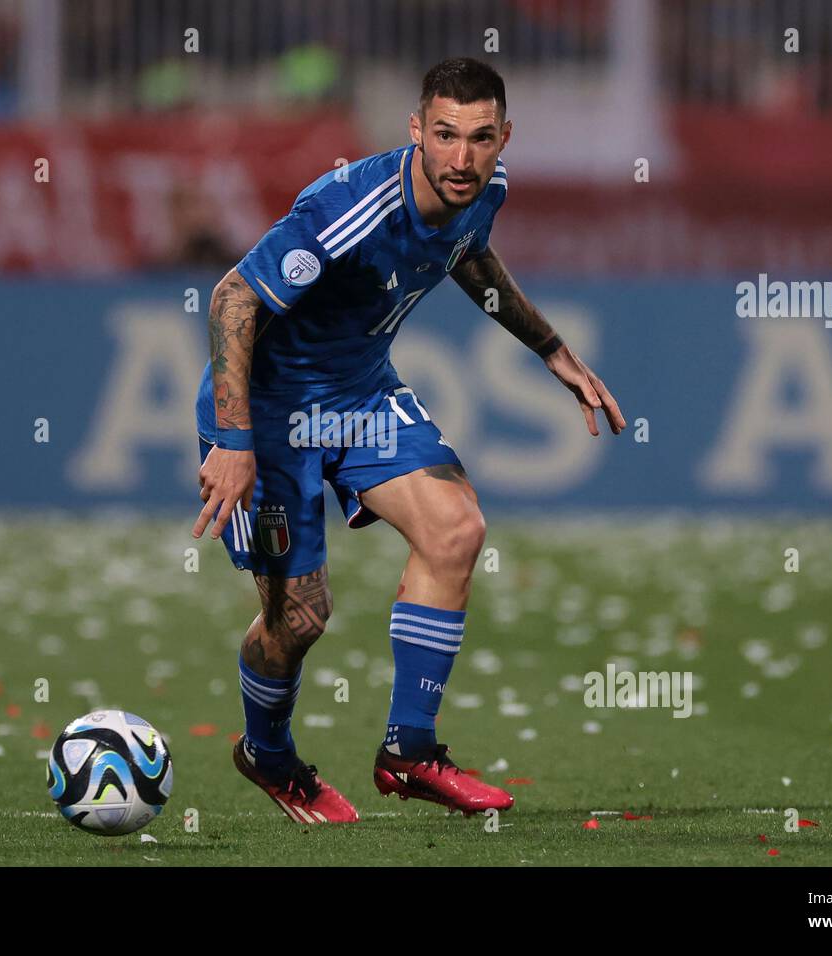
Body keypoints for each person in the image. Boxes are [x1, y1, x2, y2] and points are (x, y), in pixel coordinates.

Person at [192, 57, 625, 823]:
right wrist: (232, 438)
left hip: (360, 396)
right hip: (270, 410)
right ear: (416, 130)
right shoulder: (351, 208)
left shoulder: (485, 191)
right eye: (446, 136)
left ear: (504, 138)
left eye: (481, 138)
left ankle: (409, 752)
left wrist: (549, 348)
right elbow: (233, 297)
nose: (463, 158)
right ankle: (267, 751)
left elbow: (469, 256)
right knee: (299, 621)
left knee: (457, 528)